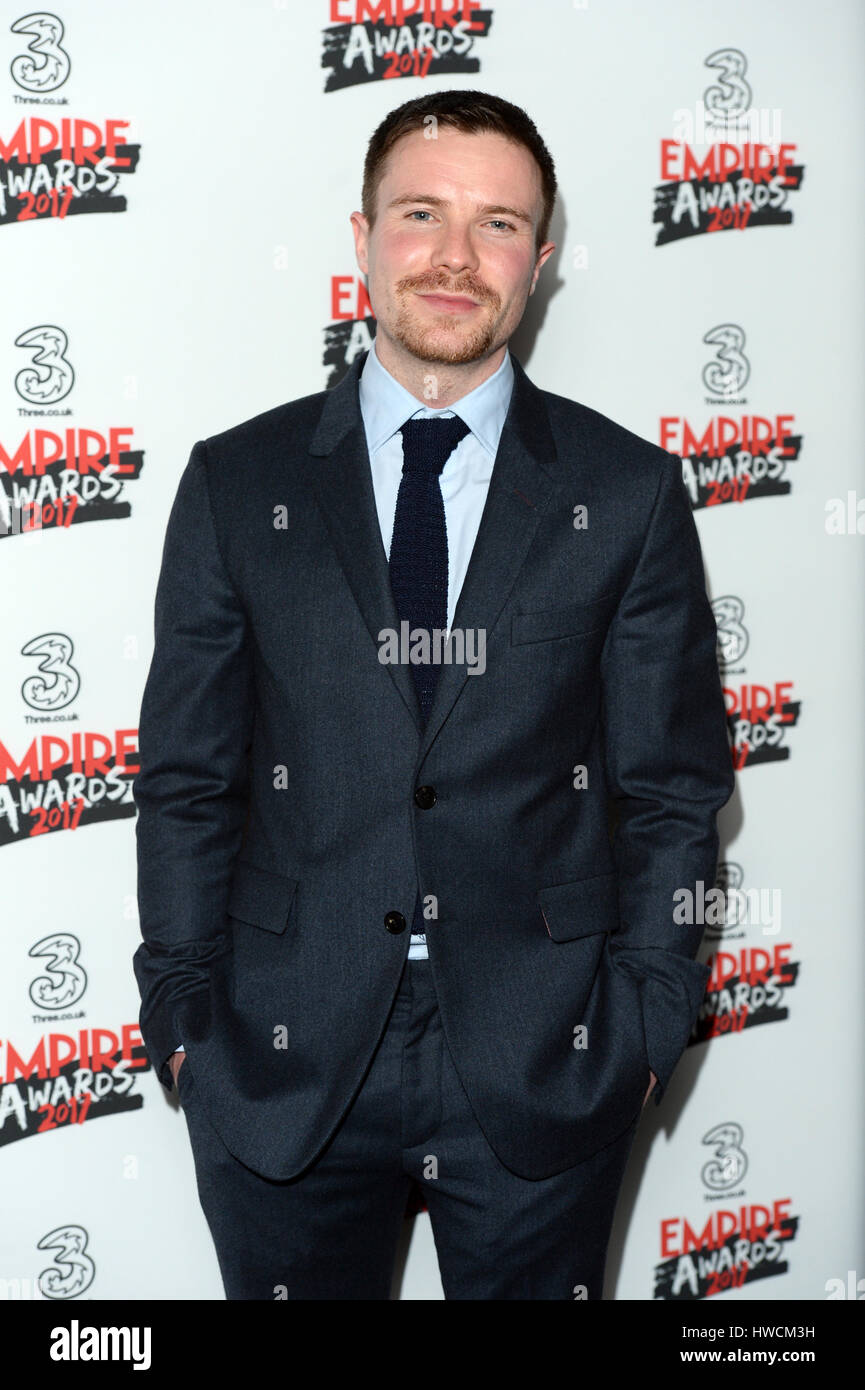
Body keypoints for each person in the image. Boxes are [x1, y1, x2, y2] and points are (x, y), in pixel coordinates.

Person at [132, 89, 734, 1300]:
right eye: (421, 214)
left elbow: (672, 792)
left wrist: (646, 1029)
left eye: (499, 224)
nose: (457, 257)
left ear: (540, 261)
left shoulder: (623, 492)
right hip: (283, 1058)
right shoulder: (236, 485)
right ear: (361, 240)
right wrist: (187, 1025)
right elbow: (188, 782)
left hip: (544, 1054)